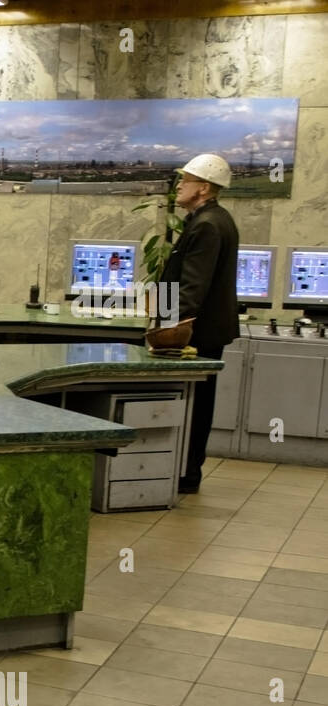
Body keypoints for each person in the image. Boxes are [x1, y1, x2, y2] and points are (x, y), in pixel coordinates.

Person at [160, 153, 239, 494]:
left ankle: (186, 472)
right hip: (201, 330)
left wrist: (167, 331)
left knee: (193, 403)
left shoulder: (207, 225)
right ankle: (186, 469)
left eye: (185, 181)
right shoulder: (211, 218)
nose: (179, 187)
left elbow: (192, 287)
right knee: (199, 401)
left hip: (196, 334)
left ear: (203, 188)